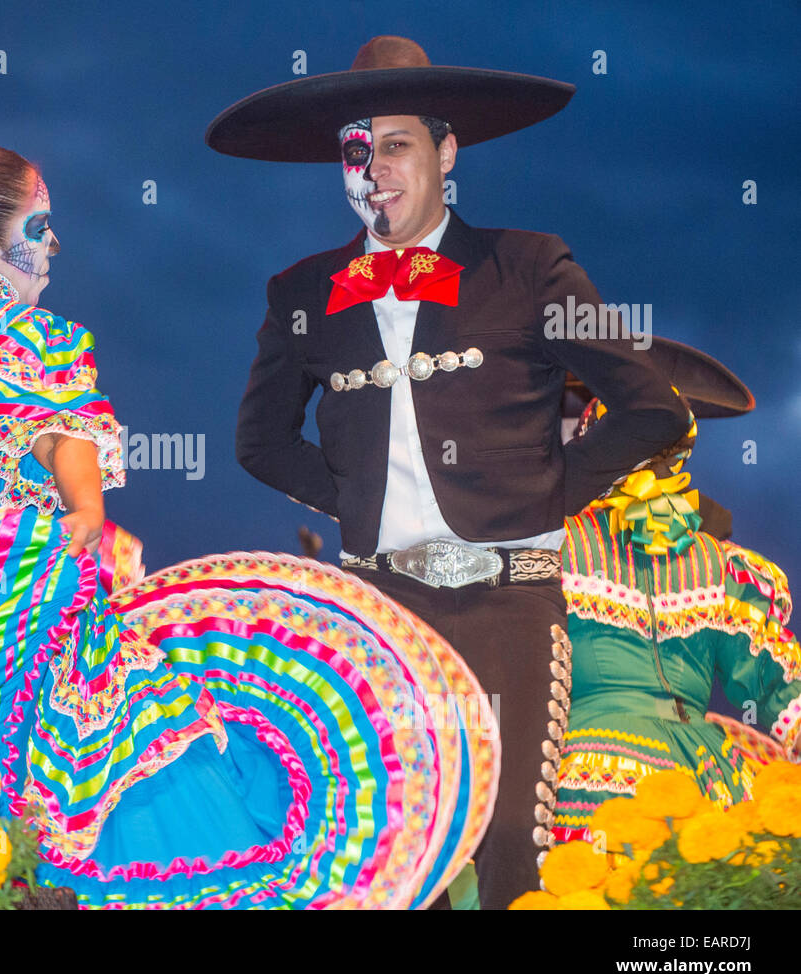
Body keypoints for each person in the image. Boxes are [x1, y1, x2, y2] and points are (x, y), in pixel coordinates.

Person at [0, 119, 499, 909]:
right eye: (39, 230)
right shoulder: (15, 333)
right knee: (76, 759)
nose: (53, 249)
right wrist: (85, 508)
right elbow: (58, 432)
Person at [209, 36, 690, 908]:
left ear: (445, 151)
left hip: (507, 599)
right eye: (356, 150)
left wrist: (546, 491)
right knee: (383, 846)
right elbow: (259, 443)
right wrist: (362, 503)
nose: (375, 168)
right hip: (378, 607)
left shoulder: (530, 265)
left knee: (511, 843)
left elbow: (657, 408)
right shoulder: (302, 291)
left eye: (396, 144)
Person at [549, 366, 801, 846]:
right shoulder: (557, 546)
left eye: (665, 452)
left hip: (695, 778)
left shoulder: (718, 565)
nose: (656, 464)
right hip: (603, 774)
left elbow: (778, 686)